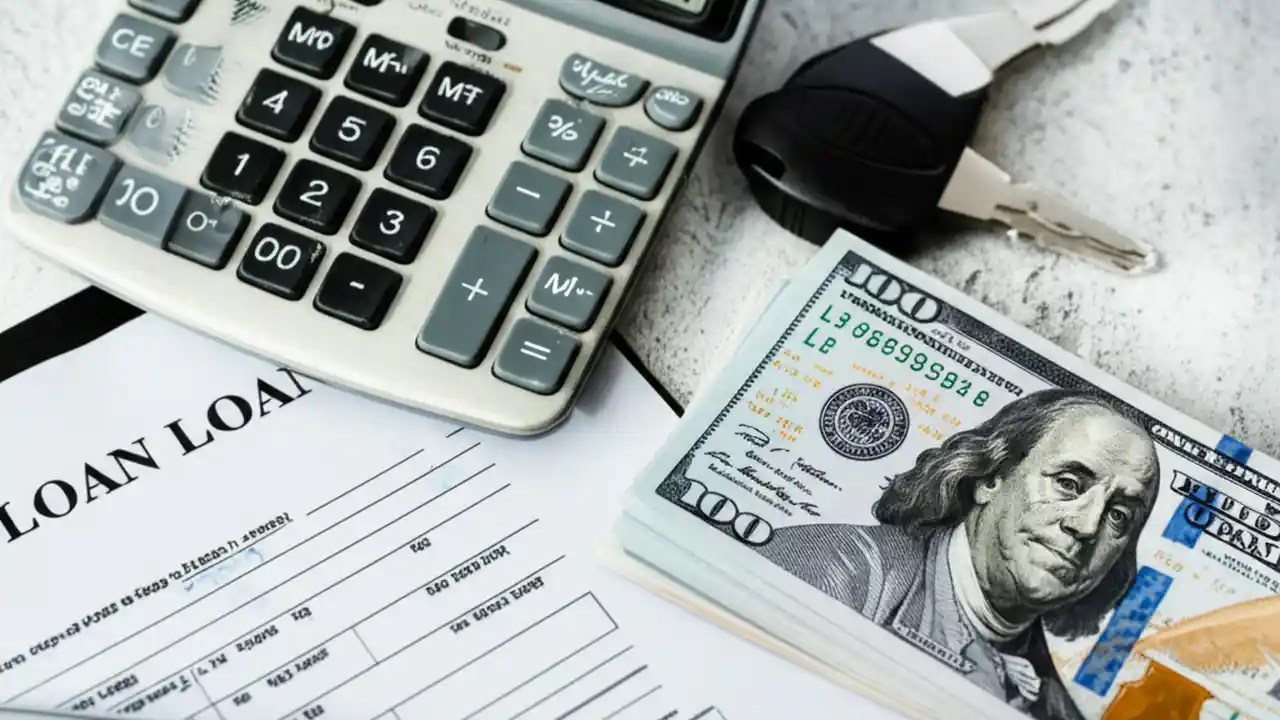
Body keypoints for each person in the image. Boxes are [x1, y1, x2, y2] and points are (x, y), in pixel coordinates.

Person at [756, 389, 1161, 720]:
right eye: (1069, 484)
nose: (1087, 526)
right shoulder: (839, 567)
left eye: (1119, 515)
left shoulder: (1056, 712)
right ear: (991, 478)